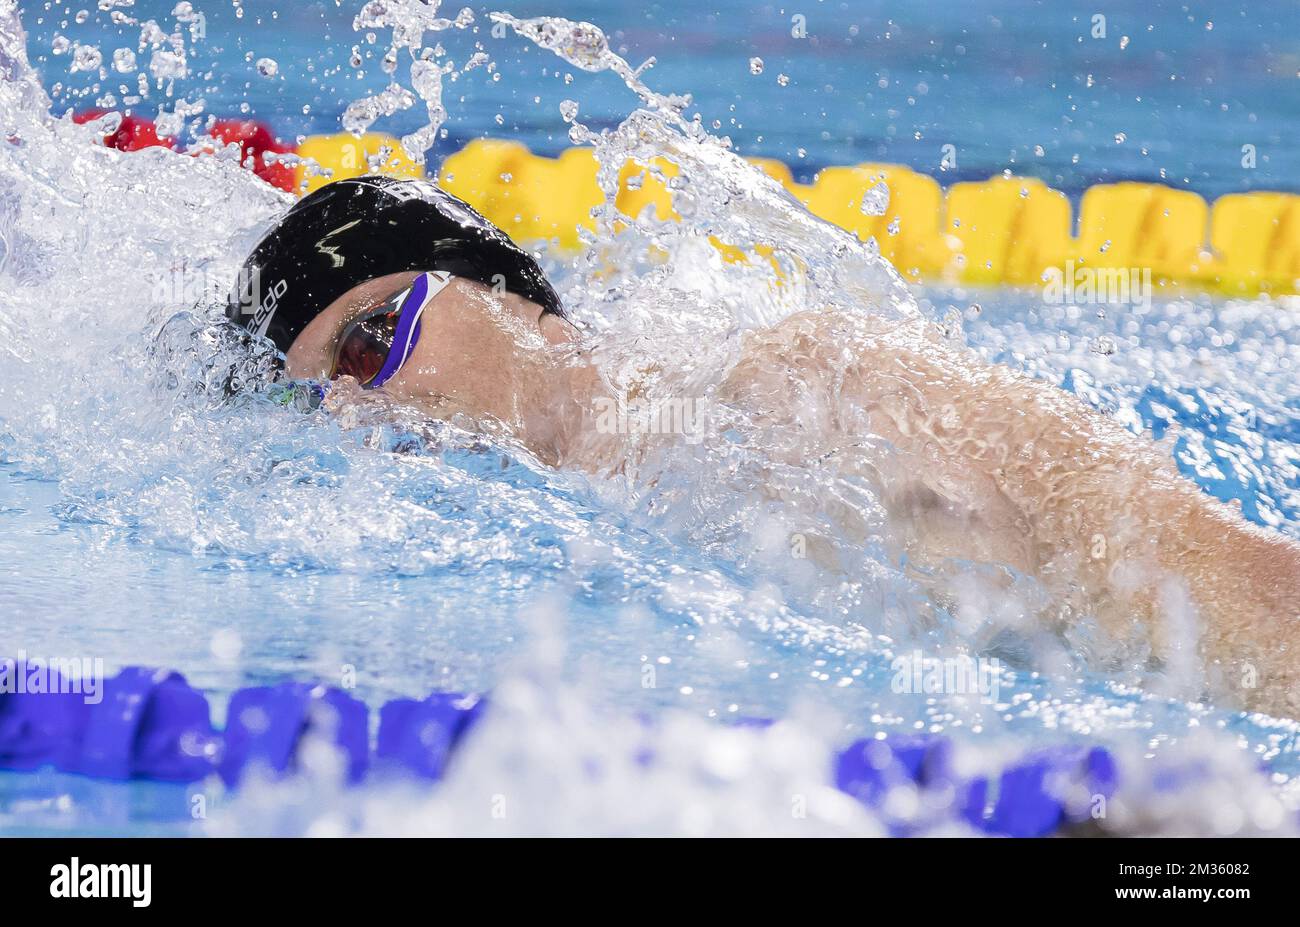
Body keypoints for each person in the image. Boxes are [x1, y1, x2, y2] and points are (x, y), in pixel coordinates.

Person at [228, 175, 1300, 719]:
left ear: (499, 287)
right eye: (313, 399)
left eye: (371, 340)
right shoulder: (518, 570)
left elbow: (1214, 579)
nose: (353, 414)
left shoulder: (809, 388)